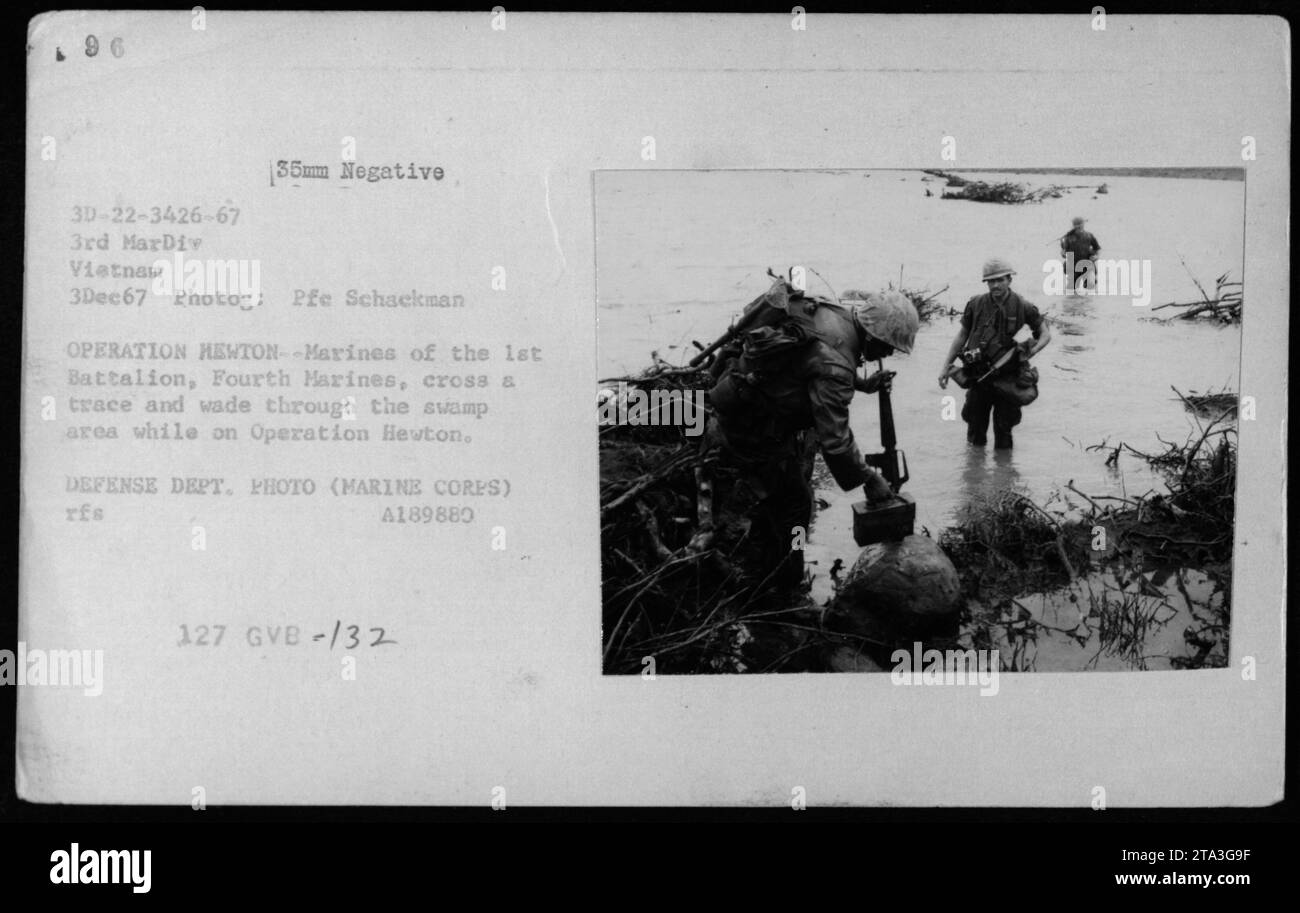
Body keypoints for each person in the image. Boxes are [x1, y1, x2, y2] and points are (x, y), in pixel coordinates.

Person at [692, 288, 919, 589]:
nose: (889, 354)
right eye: (889, 347)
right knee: (797, 506)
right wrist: (868, 479)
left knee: (781, 493)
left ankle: (758, 555)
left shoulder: (834, 313)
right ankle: (786, 587)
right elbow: (835, 441)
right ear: (873, 336)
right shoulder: (835, 368)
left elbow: (810, 363)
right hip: (751, 426)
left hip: (747, 400)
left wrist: (862, 384)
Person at [938, 259, 1051, 450]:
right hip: (979, 376)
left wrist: (1029, 353)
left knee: (1004, 432)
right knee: (975, 433)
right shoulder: (976, 303)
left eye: (1000, 280)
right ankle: (975, 473)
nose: (995, 285)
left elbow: (1045, 335)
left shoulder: (1022, 305)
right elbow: (962, 335)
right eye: (991, 281)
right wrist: (944, 367)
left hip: (1007, 378)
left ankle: (1004, 475)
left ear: (1009, 279)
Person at [1059, 216, 1101, 291]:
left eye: (1080, 225)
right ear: (1073, 226)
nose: (1079, 227)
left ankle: (1085, 301)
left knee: (1090, 285)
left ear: (1083, 225)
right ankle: (1074, 301)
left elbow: (1097, 249)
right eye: (1076, 225)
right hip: (1072, 265)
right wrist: (1063, 254)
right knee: (1071, 289)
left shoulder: (1089, 236)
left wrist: (1096, 256)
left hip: (1087, 265)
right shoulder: (1068, 238)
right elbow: (1063, 252)